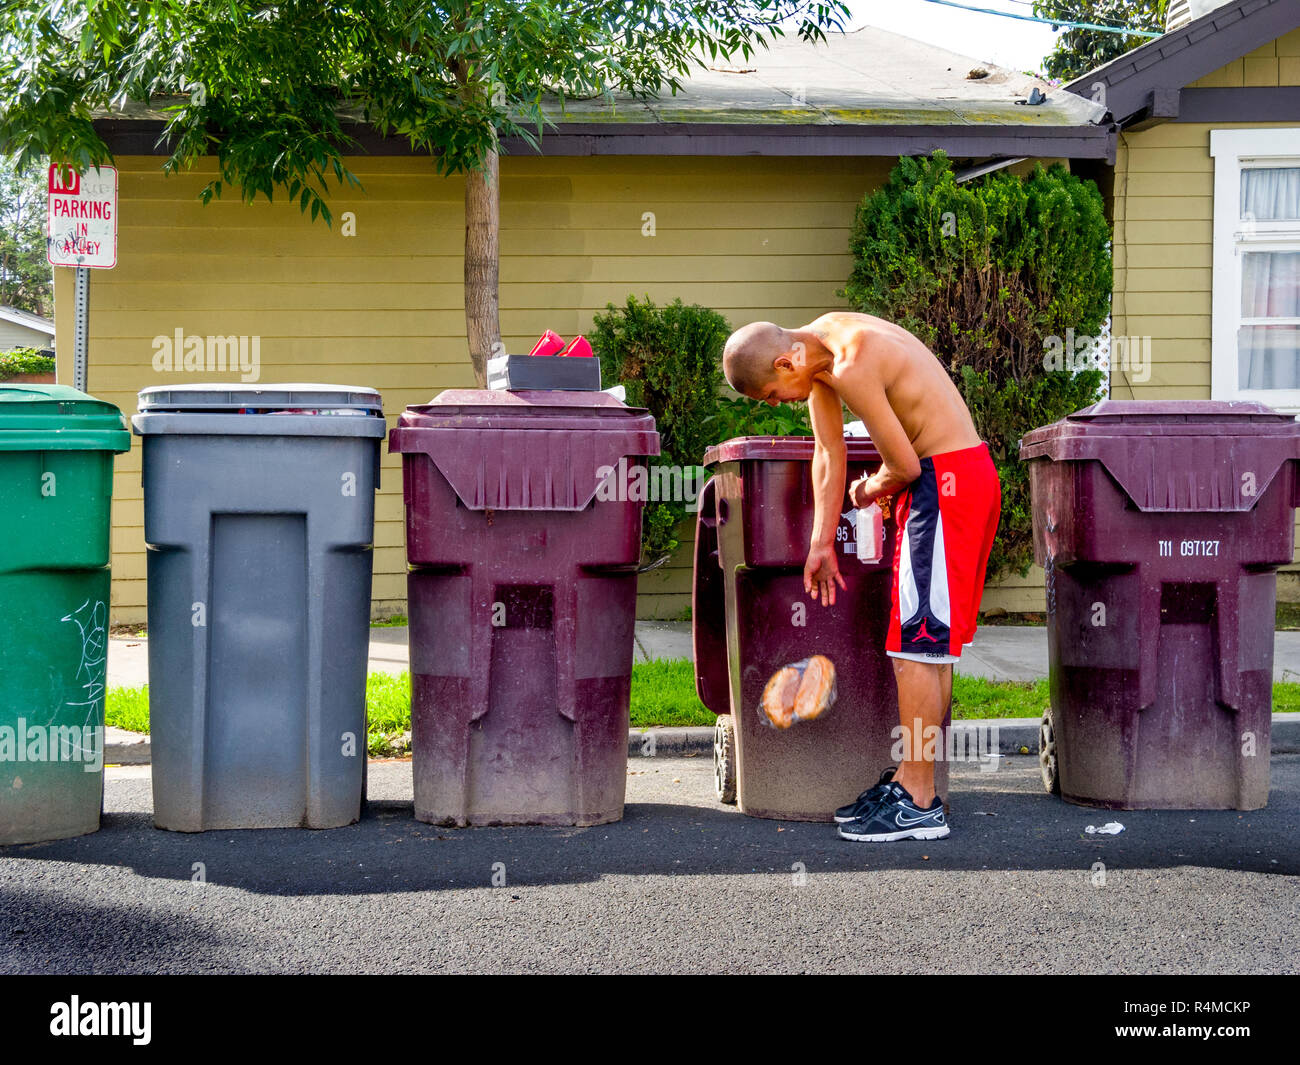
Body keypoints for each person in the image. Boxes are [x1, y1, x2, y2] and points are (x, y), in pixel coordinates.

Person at [721, 312, 1000, 842]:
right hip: (951, 483)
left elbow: (903, 467)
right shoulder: (822, 356)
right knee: (925, 646)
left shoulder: (851, 363)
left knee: (917, 646)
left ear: (785, 362)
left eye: (774, 395)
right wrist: (821, 541)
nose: (780, 404)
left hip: (946, 486)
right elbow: (829, 451)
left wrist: (868, 491)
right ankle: (911, 784)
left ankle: (918, 801)